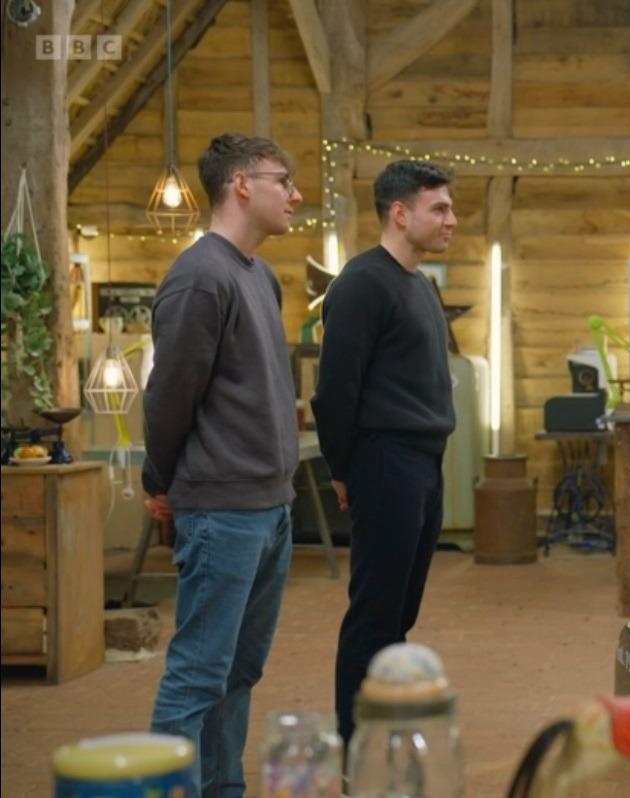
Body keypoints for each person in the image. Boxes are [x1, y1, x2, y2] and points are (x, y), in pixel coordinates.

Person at [143, 133, 304, 796]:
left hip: (271, 510)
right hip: (222, 513)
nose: (295, 195)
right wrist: (161, 481)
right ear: (241, 185)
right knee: (197, 674)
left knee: (238, 673)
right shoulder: (199, 276)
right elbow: (169, 394)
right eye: (282, 181)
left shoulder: (259, 275)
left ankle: (221, 789)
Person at [312, 160, 457, 747]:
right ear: (400, 213)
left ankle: (383, 727)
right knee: (374, 616)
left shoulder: (419, 283)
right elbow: (334, 391)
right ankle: (356, 747)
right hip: (384, 461)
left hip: (423, 463)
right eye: (439, 208)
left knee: (400, 615)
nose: (452, 218)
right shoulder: (361, 284)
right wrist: (344, 470)